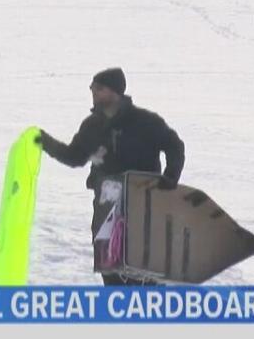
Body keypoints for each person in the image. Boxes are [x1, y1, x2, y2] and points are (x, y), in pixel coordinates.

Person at [39, 68, 186, 285]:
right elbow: (74, 157)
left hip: (143, 208)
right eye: (92, 88)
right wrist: (44, 141)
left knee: (144, 275)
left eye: (99, 88)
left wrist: (169, 179)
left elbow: (175, 146)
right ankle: (116, 316)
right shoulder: (92, 126)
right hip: (107, 208)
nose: (93, 92)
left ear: (115, 91)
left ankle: (151, 315)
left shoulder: (146, 121)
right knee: (111, 273)